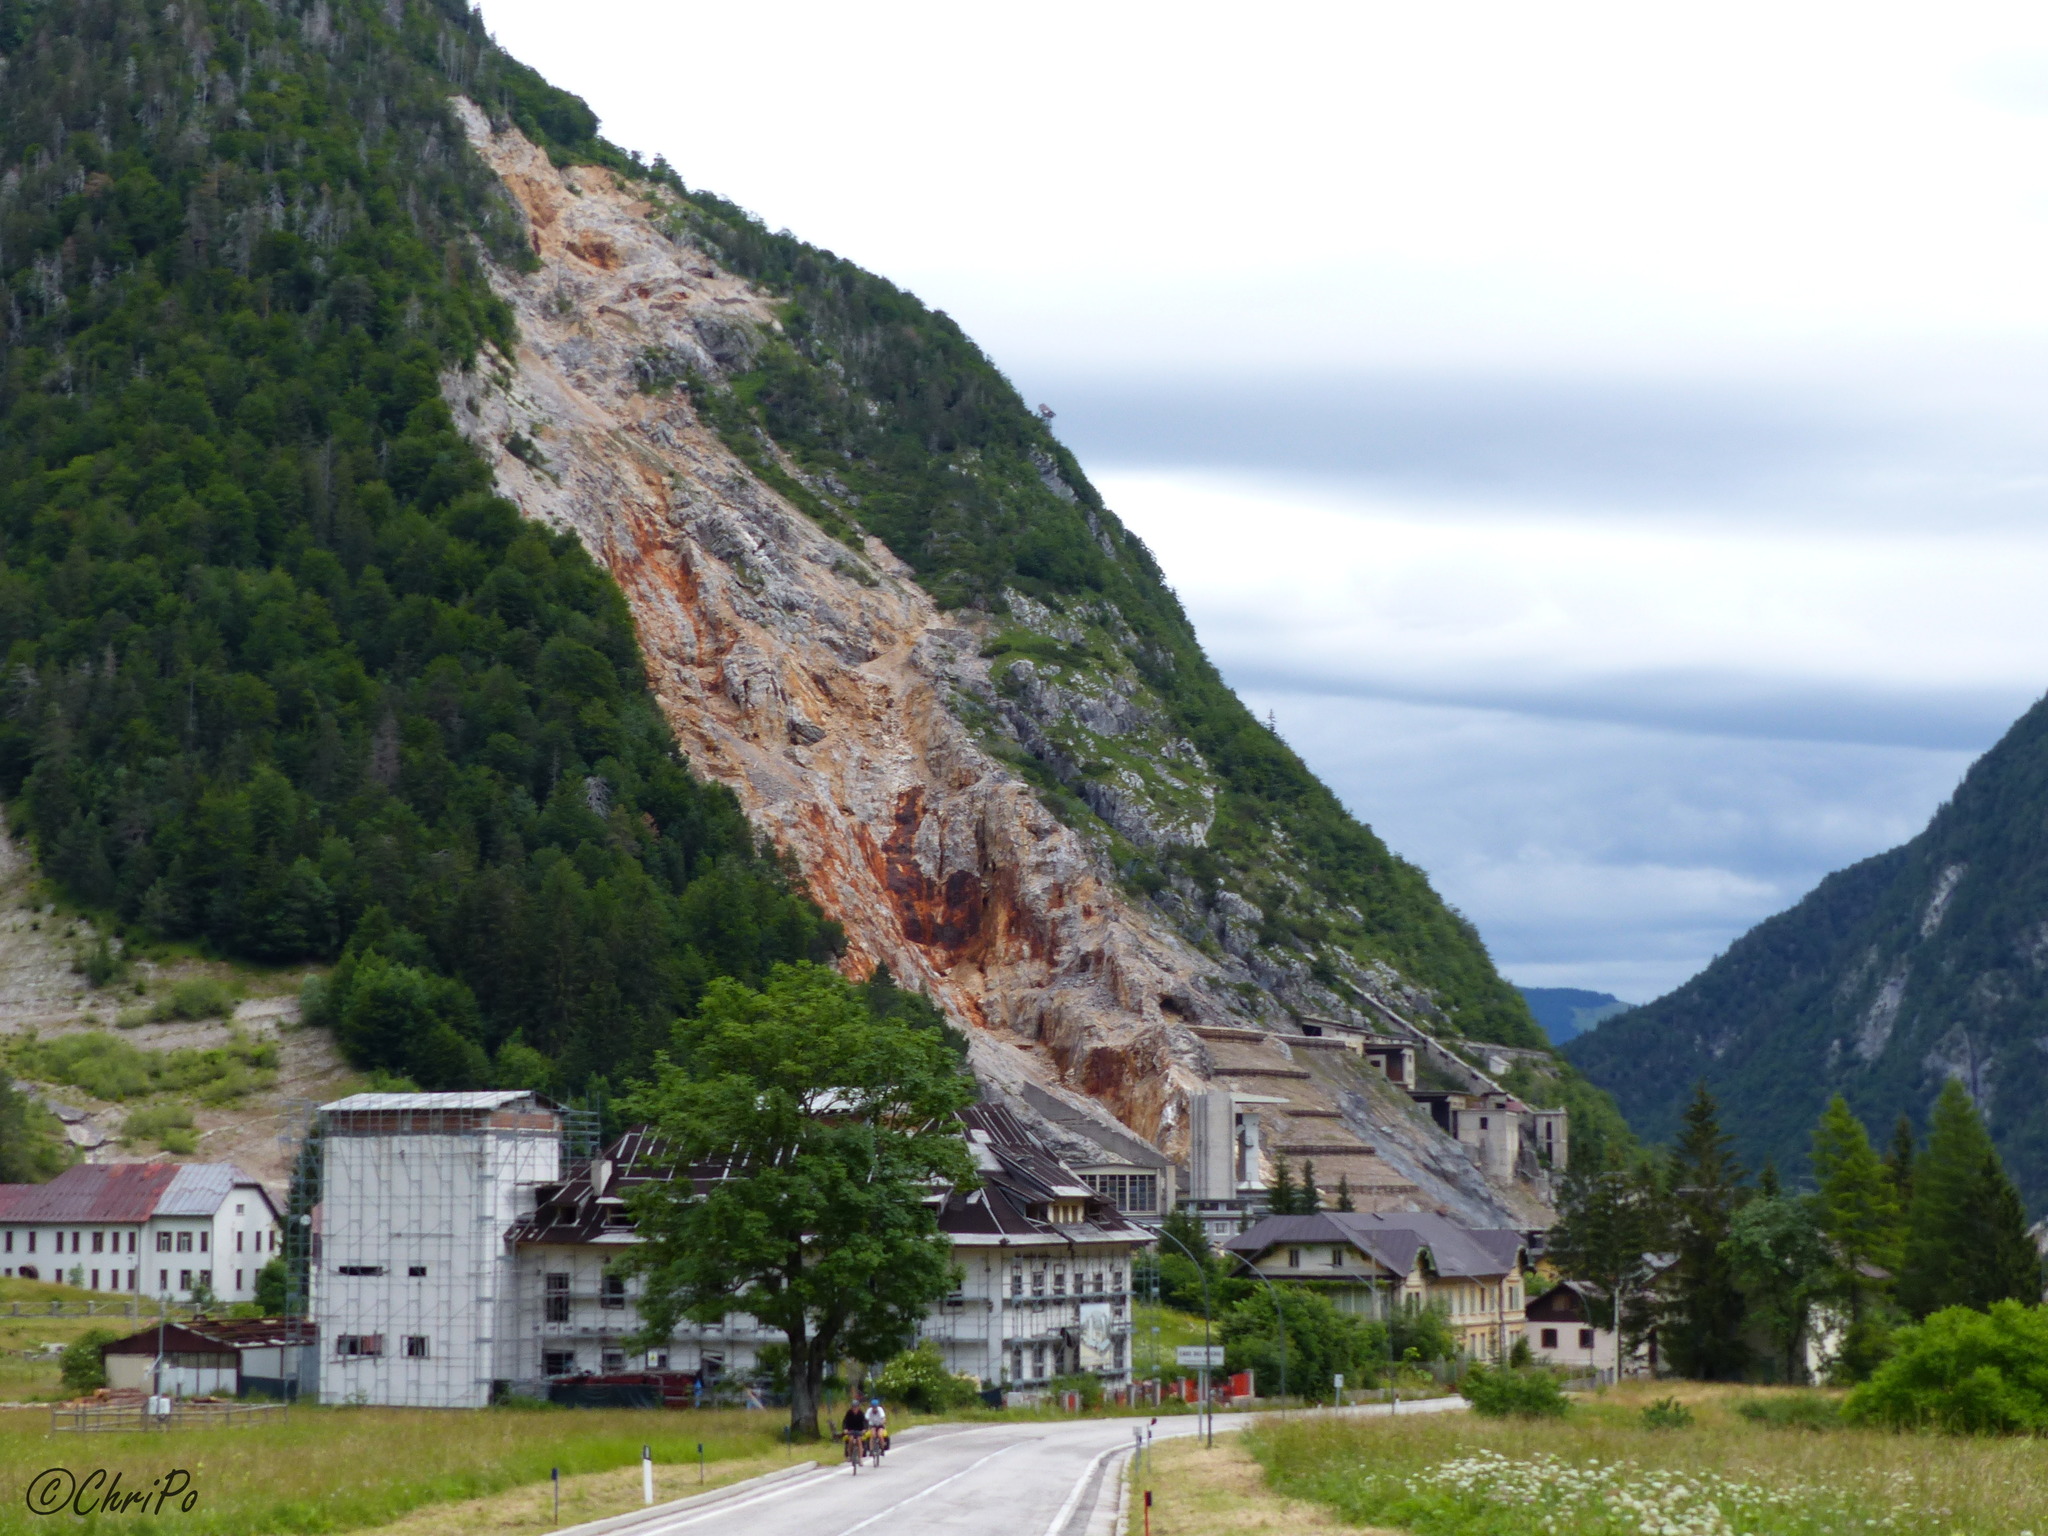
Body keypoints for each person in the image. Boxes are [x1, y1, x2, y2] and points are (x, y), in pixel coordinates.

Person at [840, 1400, 868, 1471]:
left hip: (859, 1430)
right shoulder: (849, 1413)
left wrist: (864, 1429)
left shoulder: (861, 1413)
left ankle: (860, 1459)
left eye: (856, 1407)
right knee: (851, 1440)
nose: (854, 1409)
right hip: (851, 1430)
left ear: (858, 1407)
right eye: (853, 1407)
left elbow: (865, 1422)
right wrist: (845, 1429)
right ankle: (849, 1456)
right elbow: (845, 1422)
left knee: (859, 1441)